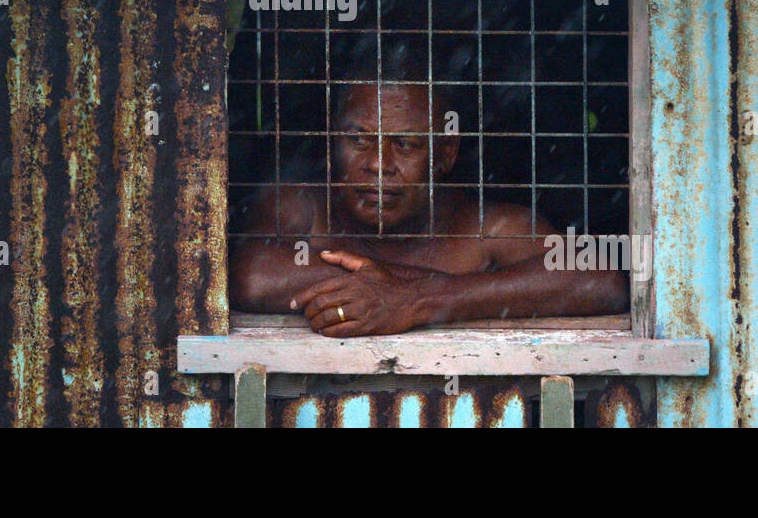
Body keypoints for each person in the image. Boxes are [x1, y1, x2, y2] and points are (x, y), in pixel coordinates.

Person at [228, 43, 629, 336]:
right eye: (359, 140)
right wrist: (406, 286)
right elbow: (249, 274)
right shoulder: (302, 205)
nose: (378, 164)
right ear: (332, 143)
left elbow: (600, 279)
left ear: (445, 153)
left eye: (406, 144)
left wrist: (417, 300)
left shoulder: (485, 226)